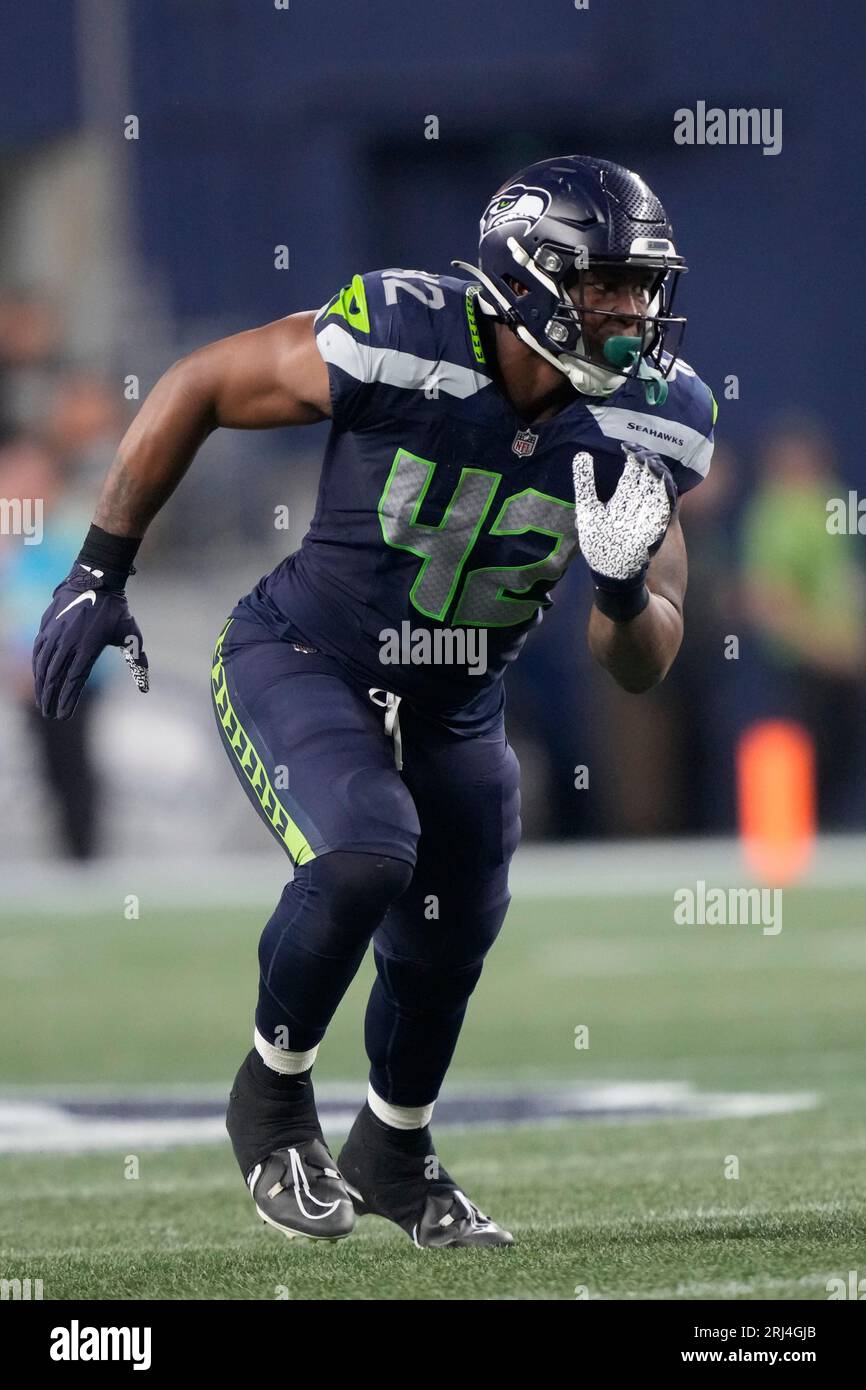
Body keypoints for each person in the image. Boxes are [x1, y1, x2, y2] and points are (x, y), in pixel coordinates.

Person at [32, 156, 715, 1247]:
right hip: (305, 651)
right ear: (529, 277)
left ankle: (397, 1150)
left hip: (461, 704)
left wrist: (628, 587)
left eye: (643, 287)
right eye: (605, 286)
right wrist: (98, 569)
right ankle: (270, 1096)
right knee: (363, 850)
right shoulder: (405, 334)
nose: (633, 313)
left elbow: (636, 662)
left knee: (451, 938)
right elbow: (198, 383)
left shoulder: (652, 419)